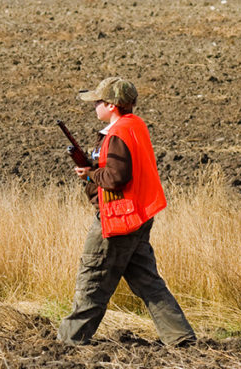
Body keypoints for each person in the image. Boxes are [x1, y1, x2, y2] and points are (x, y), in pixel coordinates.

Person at [57, 77, 196, 347]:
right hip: (138, 215)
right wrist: (93, 170)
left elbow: (117, 177)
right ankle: (180, 338)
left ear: (111, 105)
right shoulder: (135, 125)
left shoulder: (118, 133)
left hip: (117, 219)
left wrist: (90, 174)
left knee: (93, 279)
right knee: (148, 281)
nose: (94, 106)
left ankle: (70, 341)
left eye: (98, 101)